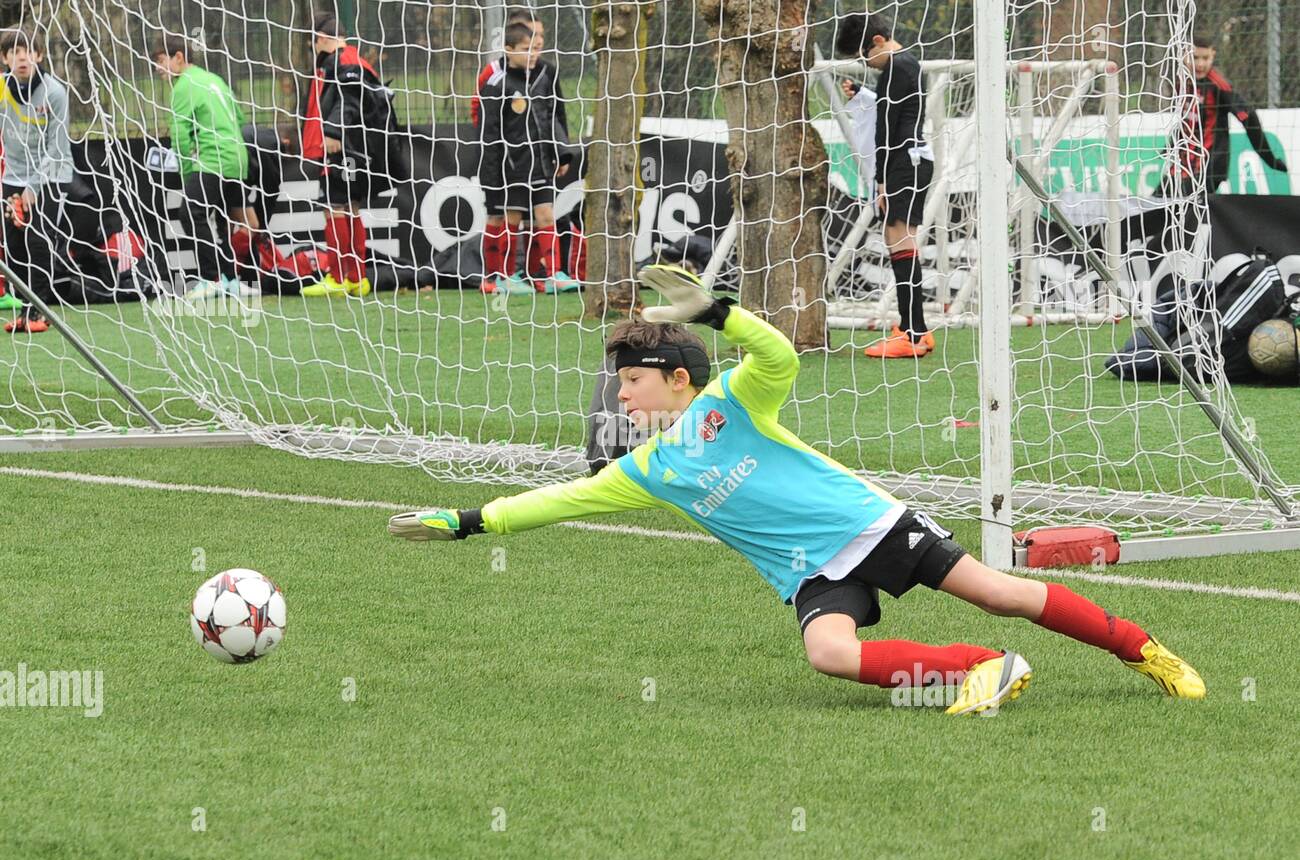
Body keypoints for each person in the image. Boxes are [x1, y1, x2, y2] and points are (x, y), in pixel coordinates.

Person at [389, 266, 1206, 715]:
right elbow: (557, 501)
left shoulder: (730, 403)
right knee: (828, 654)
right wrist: (468, 520)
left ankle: (1144, 650)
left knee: (1001, 589)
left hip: (870, 524)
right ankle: (982, 672)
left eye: (632, 381)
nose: (622, 397)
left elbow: (777, 354)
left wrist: (719, 312)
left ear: (677, 379)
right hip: (813, 572)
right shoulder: (645, 470)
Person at [837, 13, 935, 359]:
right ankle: (915, 328)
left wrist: (880, 181)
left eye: (865, 54)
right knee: (901, 244)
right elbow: (893, 112)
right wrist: (865, 93)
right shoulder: (906, 65)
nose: (866, 62)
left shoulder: (895, 67)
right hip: (912, 161)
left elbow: (887, 130)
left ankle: (913, 333)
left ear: (878, 41)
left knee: (901, 242)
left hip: (903, 163)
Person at [300, 13, 399, 298]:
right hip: (357, 147)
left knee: (335, 206)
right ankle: (356, 277)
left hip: (346, 146)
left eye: (313, 41)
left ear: (320, 38)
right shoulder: (351, 60)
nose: (313, 48)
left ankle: (340, 276)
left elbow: (349, 99)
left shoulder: (344, 62)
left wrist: (332, 132)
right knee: (349, 206)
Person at [478, 20, 576, 295]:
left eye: (536, 49)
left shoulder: (546, 74)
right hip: (513, 166)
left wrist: (562, 151)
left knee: (545, 215)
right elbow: (489, 132)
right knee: (510, 219)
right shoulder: (496, 82)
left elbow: (556, 115)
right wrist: (491, 173)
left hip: (542, 162)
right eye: (526, 49)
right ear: (508, 49)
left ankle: (551, 274)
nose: (533, 55)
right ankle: (504, 276)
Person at [154, 33, 254, 301]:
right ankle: (232, 280)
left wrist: (188, 173)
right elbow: (240, 116)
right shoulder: (214, 80)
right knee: (223, 219)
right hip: (237, 159)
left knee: (190, 211)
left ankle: (211, 278)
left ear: (179, 58)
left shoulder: (183, 86)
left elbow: (179, 135)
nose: (157, 68)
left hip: (213, 158)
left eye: (161, 61)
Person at [0, 27, 78, 329]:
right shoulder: (3, 89)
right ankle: (24, 308)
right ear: (5, 59)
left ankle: (40, 310)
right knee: (15, 245)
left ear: (39, 55)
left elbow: (57, 148)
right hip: (14, 176)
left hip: (51, 175)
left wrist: (34, 186)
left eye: (28, 51)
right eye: (15, 52)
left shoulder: (54, 92)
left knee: (37, 240)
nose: (22, 57)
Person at [1160, 34, 1288, 198]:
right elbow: (1187, 120)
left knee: (1185, 205)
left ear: (1213, 54)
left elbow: (1249, 120)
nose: (1200, 64)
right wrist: (1173, 144)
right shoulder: (1181, 81)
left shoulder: (1219, 86)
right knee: (1158, 199)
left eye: (1205, 58)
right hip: (1183, 163)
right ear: (1184, 56)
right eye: (1194, 57)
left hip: (1210, 166)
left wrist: (1270, 160)